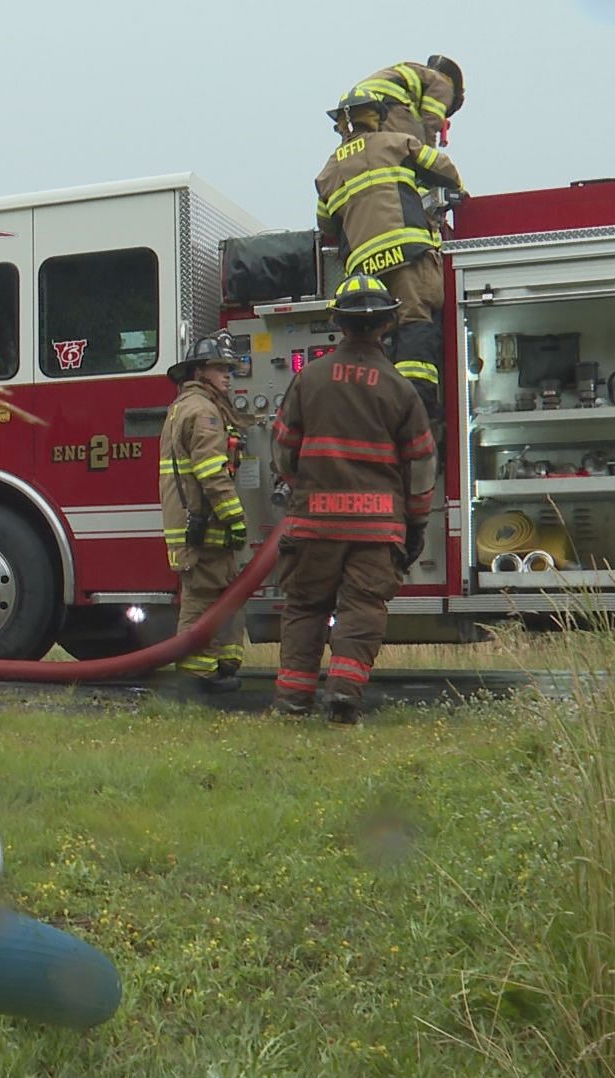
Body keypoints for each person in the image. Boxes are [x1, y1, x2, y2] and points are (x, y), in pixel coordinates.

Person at [269, 275, 435, 725]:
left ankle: (293, 703)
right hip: (377, 527)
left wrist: (304, 487)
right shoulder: (400, 388)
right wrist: (416, 524)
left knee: (305, 607)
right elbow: (421, 465)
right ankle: (344, 697)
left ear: (339, 323)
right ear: (387, 324)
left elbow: (283, 448)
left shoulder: (309, 378)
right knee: (362, 609)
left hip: (313, 524)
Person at [316, 87, 465, 420]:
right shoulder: (395, 143)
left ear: (341, 124)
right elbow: (442, 167)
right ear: (376, 116)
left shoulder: (327, 173)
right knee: (415, 325)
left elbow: (325, 222)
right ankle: (419, 412)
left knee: (376, 338)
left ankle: (378, 411)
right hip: (407, 257)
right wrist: (459, 193)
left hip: (365, 275)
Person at [158, 335, 250, 693]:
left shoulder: (190, 406)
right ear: (199, 372)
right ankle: (196, 676)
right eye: (219, 369)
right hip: (204, 523)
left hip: (199, 521)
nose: (227, 376)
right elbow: (212, 472)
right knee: (202, 596)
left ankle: (223, 662)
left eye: (229, 369)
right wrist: (235, 517)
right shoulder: (204, 412)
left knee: (223, 591)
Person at [356, 55, 466, 146]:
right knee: (411, 146)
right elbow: (430, 122)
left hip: (354, 105)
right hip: (388, 103)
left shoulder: (420, 73)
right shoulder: (443, 83)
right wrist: (430, 159)